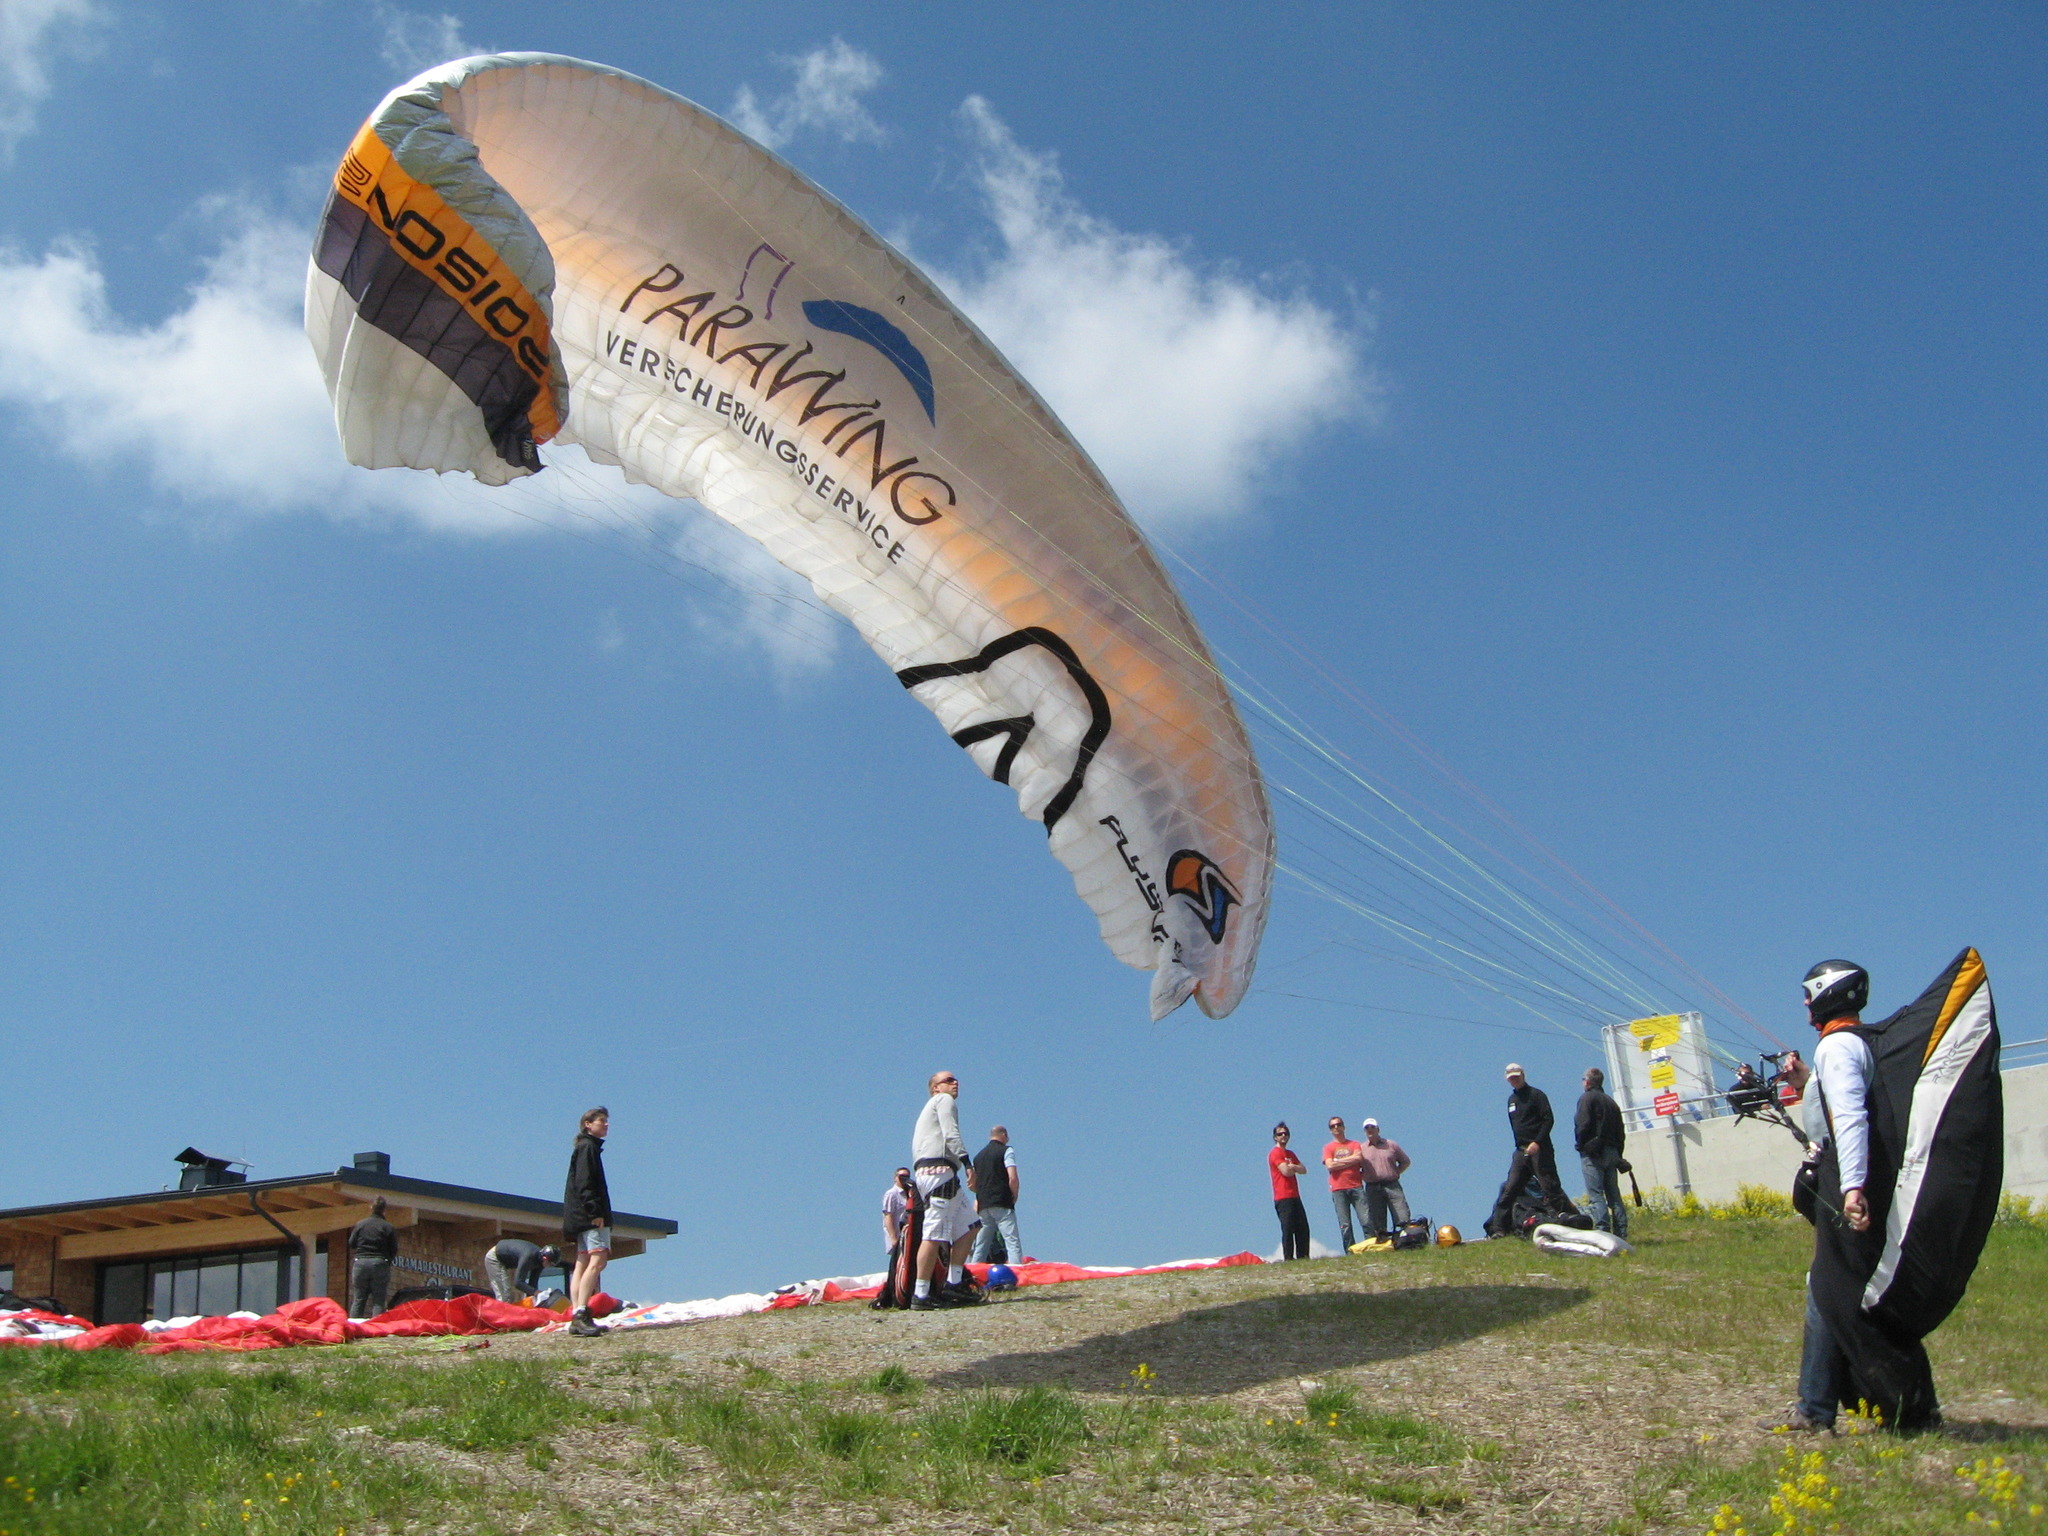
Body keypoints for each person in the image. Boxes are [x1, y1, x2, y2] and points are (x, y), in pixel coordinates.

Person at [910, 1070, 982, 1310]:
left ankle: (954, 1282)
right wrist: (968, 1163)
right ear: (935, 1088)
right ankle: (920, 1294)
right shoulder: (943, 1101)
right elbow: (951, 1132)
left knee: (970, 1225)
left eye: (955, 1079)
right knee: (934, 1232)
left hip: (940, 1172)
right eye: (948, 1080)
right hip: (938, 1171)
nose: (955, 1083)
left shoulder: (932, 1106)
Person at [1485, 1064, 1568, 1236]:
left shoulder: (1536, 1095)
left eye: (1517, 1076)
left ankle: (1566, 1219)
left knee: (1550, 1186)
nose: (1514, 1080)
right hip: (1520, 1151)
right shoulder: (1511, 1100)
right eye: (1511, 1078)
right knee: (1510, 1188)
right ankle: (1499, 1228)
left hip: (1539, 1148)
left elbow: (1548, 1120)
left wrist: (1537, 1142)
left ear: (1523, 1075)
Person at [562, 1106, 613, 1337]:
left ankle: (577, 1313)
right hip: (590, 1217)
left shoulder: (585, 1148)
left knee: (582, 1263)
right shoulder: (587, 1148)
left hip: (578, 1216)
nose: (606, 1125)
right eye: (602, 1121)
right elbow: (585, 1183)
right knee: (597, 1259)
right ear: (587, 1124)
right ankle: (582, 1313)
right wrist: (595, 1211)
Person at [1574, 1067, 1628, 1240]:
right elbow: (1621, 1131)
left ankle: (1603, 1232)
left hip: (1593, 1152)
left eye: (1583, 1079)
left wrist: (1581, 1145)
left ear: (1588, 1082)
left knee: (1596, 1194)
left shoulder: (1586, 1098)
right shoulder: (1612, 1102)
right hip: (1613, 1152)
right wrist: (1619, 1154)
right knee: (1614, 1195)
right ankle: (1621, 1232)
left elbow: (1583, 1124)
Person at [970, 1126, 1023, 1266]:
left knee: (981, 1244)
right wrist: (1014, 1195)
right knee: (1012, 1240)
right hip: (1001, 1201)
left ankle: (974, 1271)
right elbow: (1012, 1177)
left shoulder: (978, 1157)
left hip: (983, 1204)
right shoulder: (1007, 1151)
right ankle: (1016, 1270)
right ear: (1004, 1135)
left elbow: (972, 1183)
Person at [1356, 1118, 1413, 1239]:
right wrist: (1365, 1176)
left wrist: (1395, 1172)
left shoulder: (1391, 1145)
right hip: (1373, 1187)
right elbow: (1356, 1169)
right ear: (1364, 1131)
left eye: (1372, 1127)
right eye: (1367, 1128)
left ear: (1378, 1129)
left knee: (1402, 1214)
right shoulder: (1361, 1149)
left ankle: (1406, 1241)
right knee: (1377, 1219)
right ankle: (1382, 1242)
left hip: (1392, 1184)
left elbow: (1405, 1162)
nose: (1370, 1130)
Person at [1322, 1115, 1370, 1252]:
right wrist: (1350, 1160)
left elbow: (1358, 1158)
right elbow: (1330, 1166)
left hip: (1356, 1186)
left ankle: (1371, 1247)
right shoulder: (1328, 1147)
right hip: (1338, 1189)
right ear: (1330, 1130)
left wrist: (1338, 1162)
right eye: (1333, 1126)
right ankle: (1350, 1251)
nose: (1336, 1127)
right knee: (1345, 1225)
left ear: (1344, 1127)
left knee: (1366, 1220)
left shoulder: (1354, 1144)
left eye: (1338, 1124)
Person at [346, 1196, 397, 1319]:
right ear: (384, 1209)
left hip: (361, 1262)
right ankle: (377, 1329)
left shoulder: (360, 1224)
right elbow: (393, 1249)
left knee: (359, 1298)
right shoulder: (388, 1227)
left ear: (371, 1208)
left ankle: (354, 1329)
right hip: (379, 1263)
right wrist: (387, 1261)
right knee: (378, 1300)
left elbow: (351, 1243)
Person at [1268, 1123, 1311, 1260]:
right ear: (1275, 1137)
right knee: (1288, 1228)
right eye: (1280, 1134)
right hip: (1282, 1196)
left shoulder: (1290, 1154)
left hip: (1295, 1195)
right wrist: (1293, 1168)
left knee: (1303, 1228)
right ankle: (1288, 1257)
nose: (1283, 1136)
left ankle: (1303, 1256)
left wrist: (1293, 1166)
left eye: (1285, 1133)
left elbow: (1304, 1170)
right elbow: (1285, 1171)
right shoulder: (1275, 1153)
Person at [483, 1237, 562, 1304]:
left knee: (511, 1295)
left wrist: (536, 1299)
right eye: (550, 1264)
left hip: (504, 1260)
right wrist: (536, 1292)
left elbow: (532, 1285)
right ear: (545, 1258)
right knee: (505, 1295)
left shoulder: (540, 1263)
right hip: (495, 1258)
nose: (549, 1267)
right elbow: (518, 1283)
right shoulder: (529, 1256)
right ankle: (500, 1320)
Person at [882, 1167, 912, 1258]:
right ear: (895, 1178)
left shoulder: (910, 1194)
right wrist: (893, 1238)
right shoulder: (892, 1194)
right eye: (901, 1176)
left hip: (908, 1236)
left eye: (907, 1176)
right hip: (898, 1237)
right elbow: (888, 1216)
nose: (904, 1178)